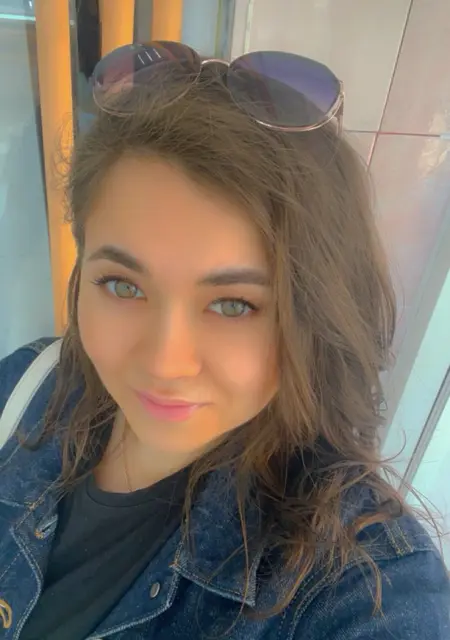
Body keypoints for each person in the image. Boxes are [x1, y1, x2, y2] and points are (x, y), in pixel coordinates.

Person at [0, 42, 448, 640]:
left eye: (234, 304)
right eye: (123, 286)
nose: (165, 362)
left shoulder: (359, 582)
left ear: (314, 314)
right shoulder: (26, 387)